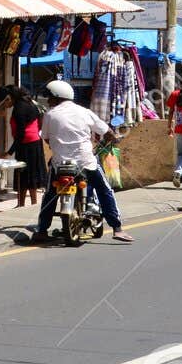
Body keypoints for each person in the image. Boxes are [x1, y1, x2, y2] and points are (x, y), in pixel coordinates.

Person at [28, 80, 134, 244]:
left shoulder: (50, 115)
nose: (48, 101)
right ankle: (117, 229)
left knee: (50, 195)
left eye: (50, 98)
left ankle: (42, 230)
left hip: (60, 163)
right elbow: (106, 131)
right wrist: (113, 139)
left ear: (57, 97)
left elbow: (47, 138)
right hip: (86, 161)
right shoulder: (84, 112)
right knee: (105, 190)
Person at [0, 85, 47, 208]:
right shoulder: (27, 103)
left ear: (8, 98)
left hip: (27, 145)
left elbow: (20, 133)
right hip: (33, 143)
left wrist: (9, 152)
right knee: (27, 175)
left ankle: (25, 203)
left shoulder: (20, 108)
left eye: (2, 102)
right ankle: (25, 203)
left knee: (25, 174)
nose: (2, 105)